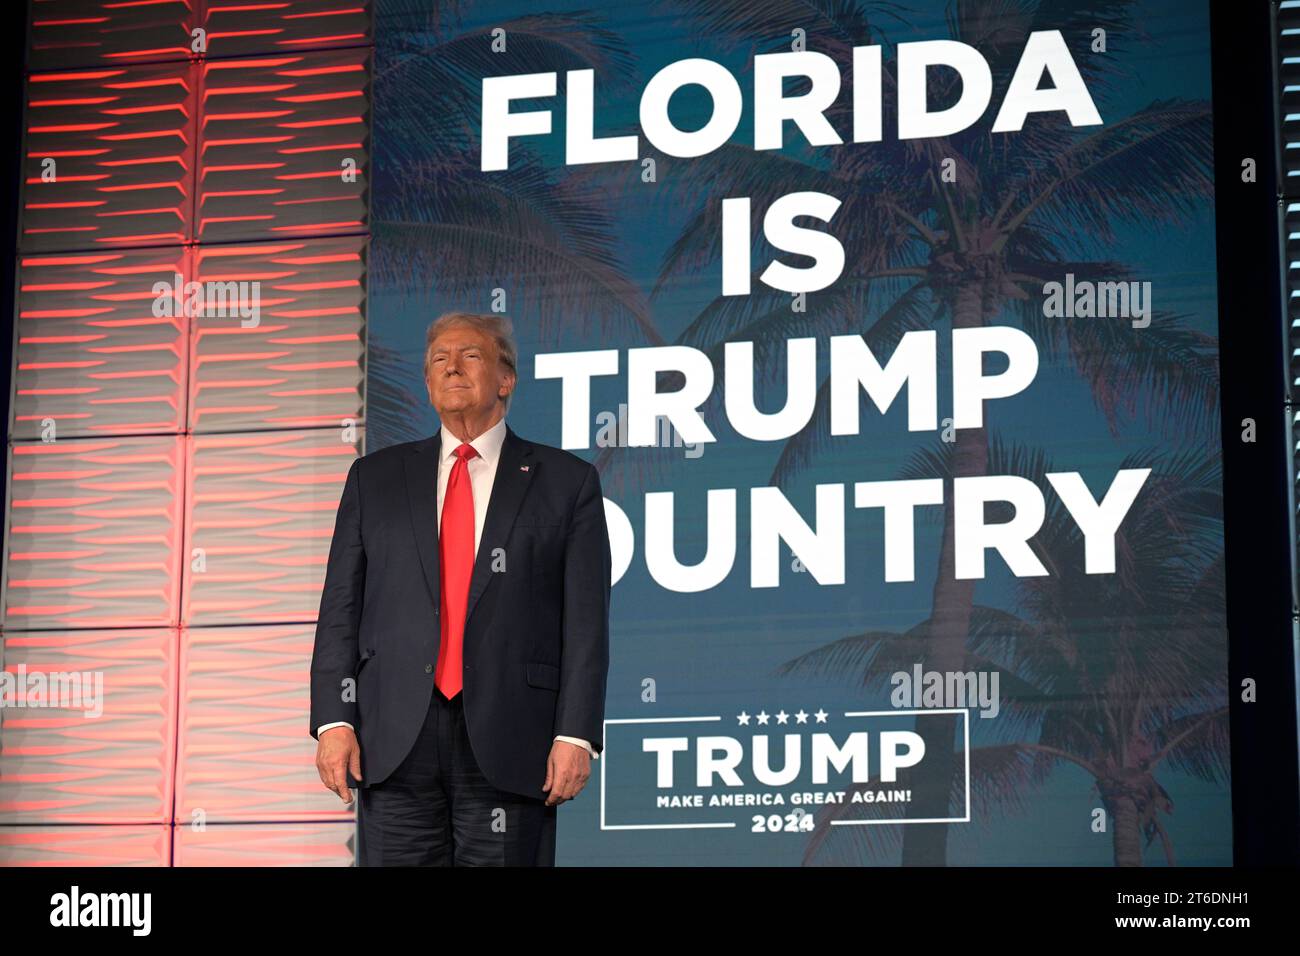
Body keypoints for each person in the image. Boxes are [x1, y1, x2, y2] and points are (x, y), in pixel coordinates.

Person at [309, 311, 611, 866]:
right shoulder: (374, 479)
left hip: (513, 735)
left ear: (506, 378)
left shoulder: (567, 483)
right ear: (426, 384)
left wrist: (576, 735)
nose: (452, 367)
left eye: (470, 355)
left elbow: (586, 625)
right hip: (394, 736)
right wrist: (334, 720)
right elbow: (340, 611)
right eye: (439, 360)